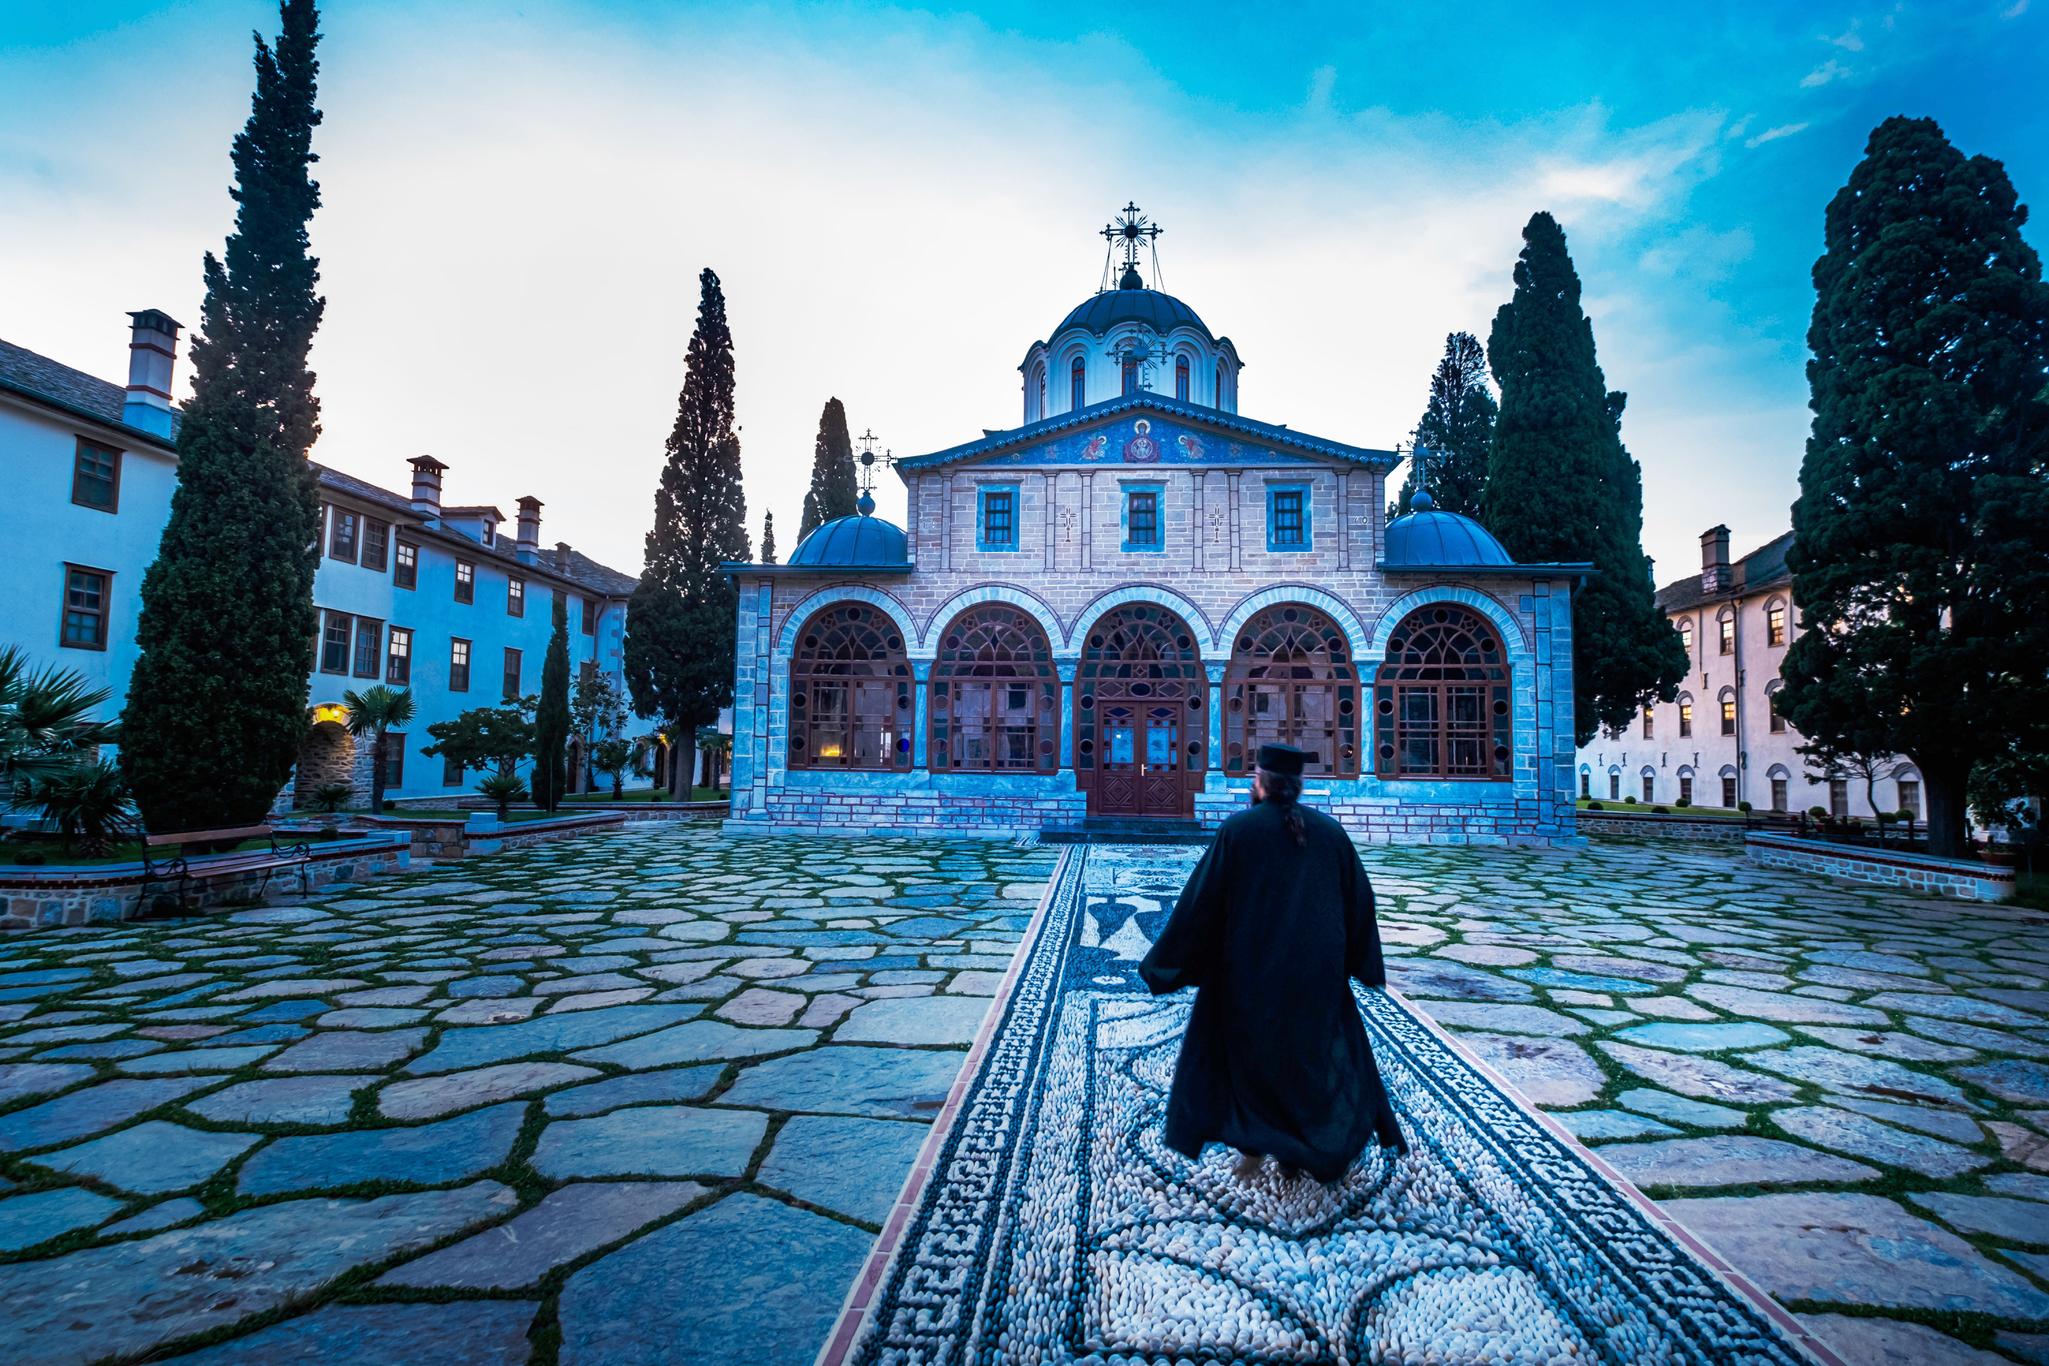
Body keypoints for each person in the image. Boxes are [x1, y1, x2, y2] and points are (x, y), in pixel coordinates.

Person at [1138, 742, 1406, 1182]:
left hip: (1249, 978)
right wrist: (1362, 964)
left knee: (1251, 1060)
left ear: (1258, 782)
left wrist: (1166, 963)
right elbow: (1360, 902)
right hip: (1314, 978)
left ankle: (1257, 1145)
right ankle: (1301, 1148)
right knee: (1307, 1059)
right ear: (1298, 786)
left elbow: (1200, 905)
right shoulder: (1330, 833)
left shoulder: (1239, 831)